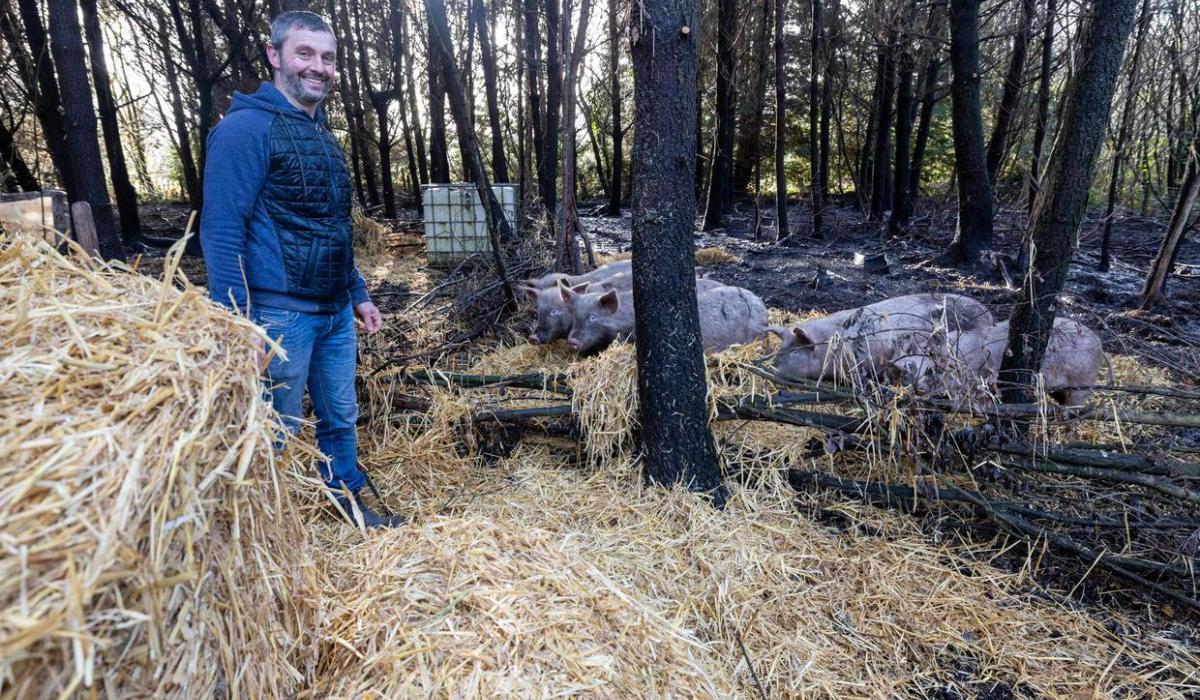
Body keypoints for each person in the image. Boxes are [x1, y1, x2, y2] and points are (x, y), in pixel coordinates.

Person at [200, 11, 401, 528]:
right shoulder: (244, 130)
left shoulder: (320, 135)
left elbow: (333, 226)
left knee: (340, 416)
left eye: (328, 57)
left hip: (334, 313)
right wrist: (235, 321)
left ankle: (347, 500)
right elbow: (221, 233)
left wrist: (357, 292)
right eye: (305, 53)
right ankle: (268, 531)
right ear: (275, 56)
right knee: (275, 428)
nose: (319, 67)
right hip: (278, 315)